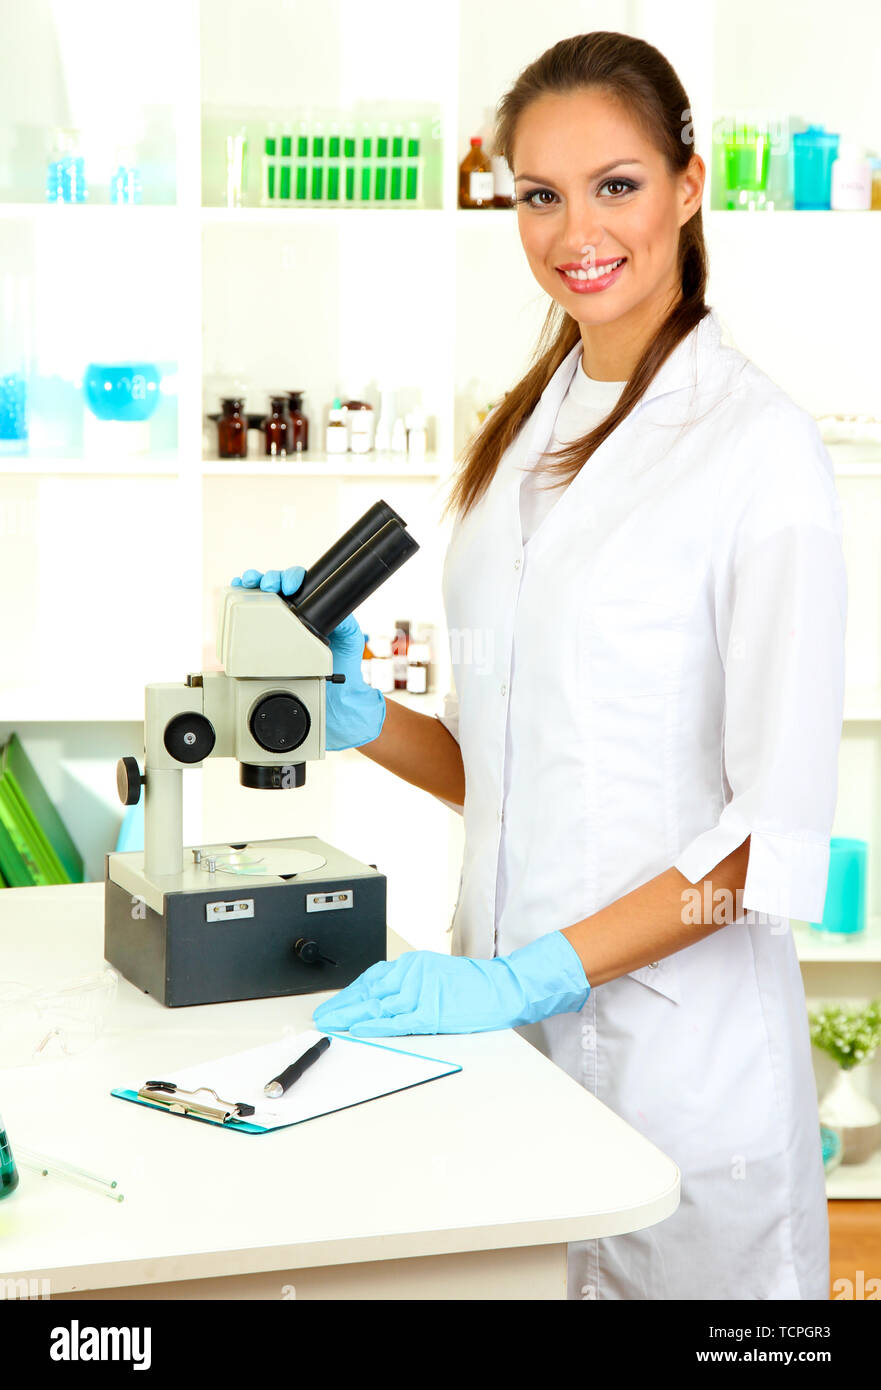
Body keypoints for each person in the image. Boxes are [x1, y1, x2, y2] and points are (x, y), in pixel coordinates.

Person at [233, 32, 846, 1300]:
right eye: (538, 193)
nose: (575, 229)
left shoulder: (756, 451)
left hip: (677, 1067)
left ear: (686, 184)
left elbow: (765, 844)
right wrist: (357, 716)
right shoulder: (524, 432)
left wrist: (533, 974)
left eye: (614, 183)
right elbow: (507, 774)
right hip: (509, 1044)